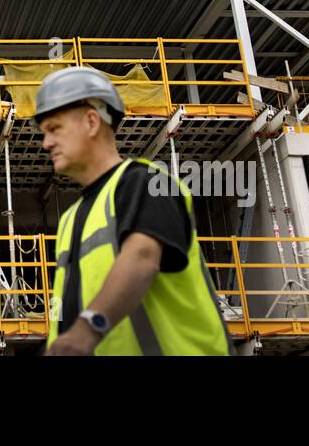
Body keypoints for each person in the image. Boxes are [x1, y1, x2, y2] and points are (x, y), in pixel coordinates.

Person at [38, 67, 230, 355]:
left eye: (54, 129)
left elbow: (142, 256)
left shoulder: (146, 182)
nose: (46, 143)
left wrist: (86, 331)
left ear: (92, 122)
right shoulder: (70, 218)